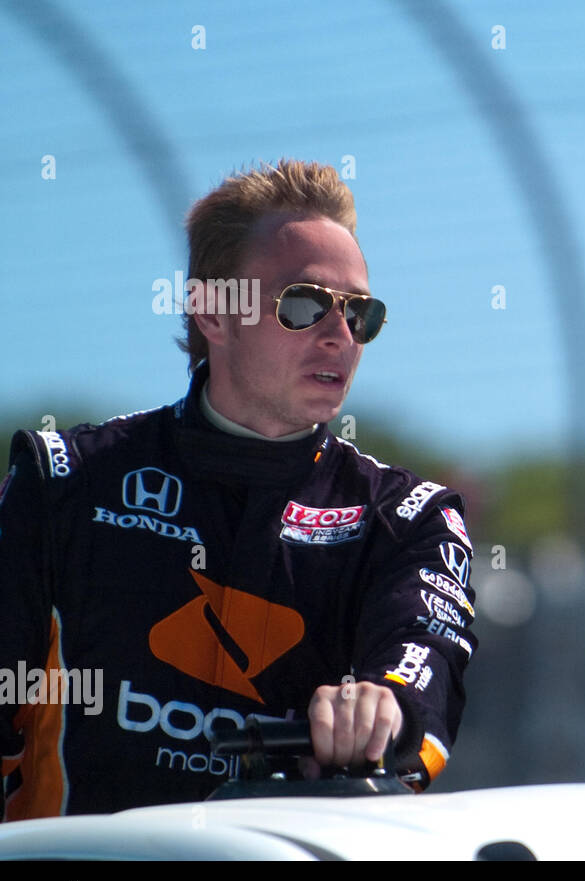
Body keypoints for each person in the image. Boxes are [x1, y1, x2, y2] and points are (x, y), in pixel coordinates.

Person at [0, 159, 476, 819]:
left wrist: (382, 703)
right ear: (213, 315)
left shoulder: (410, 518)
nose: (339, 334)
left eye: (360, 314)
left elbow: (423, 671)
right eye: (304, 303)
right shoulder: (63, 482)